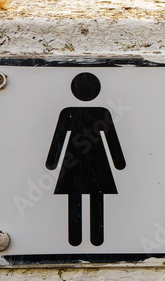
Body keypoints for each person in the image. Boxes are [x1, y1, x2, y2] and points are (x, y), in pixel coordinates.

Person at [46, 73, 125, 246]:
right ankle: (96, 238)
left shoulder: (68, 113)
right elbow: (112, 140)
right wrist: (119, 163)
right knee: (96, 197)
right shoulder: (102, 112)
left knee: (75, 197)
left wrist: (52, 162)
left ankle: (76, 238)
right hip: (97, 160)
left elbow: (59, 140)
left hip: (73, 160)